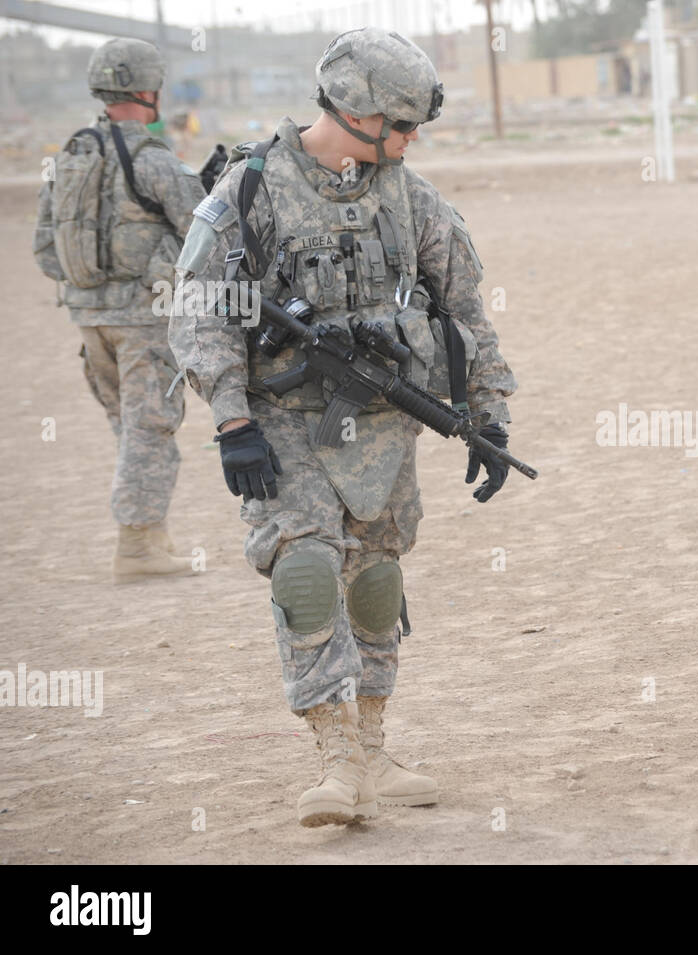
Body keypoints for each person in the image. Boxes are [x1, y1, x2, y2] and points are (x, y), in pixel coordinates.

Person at [168, 28, 519, 827]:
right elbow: (198, 314)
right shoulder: (246, 193)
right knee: (306, 569)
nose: (411, 140)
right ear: (356, 111)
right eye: (402, 124)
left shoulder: (411, 196)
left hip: (384, 419)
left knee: (375, 580)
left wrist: (488, 413)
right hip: (280, 420)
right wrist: (232, 422)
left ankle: (371, 745)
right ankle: (330, 760)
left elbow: (464, 313)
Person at [33, 38, 206, 582]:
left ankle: (151, 534)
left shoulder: (69, 158)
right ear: (148, 89)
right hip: (142, 322)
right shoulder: (154, 161)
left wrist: (91, 289)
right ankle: (137, 549)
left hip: (89, 320)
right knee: (150, 427)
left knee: (129, 426)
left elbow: (44, 246)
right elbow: (205, 236)